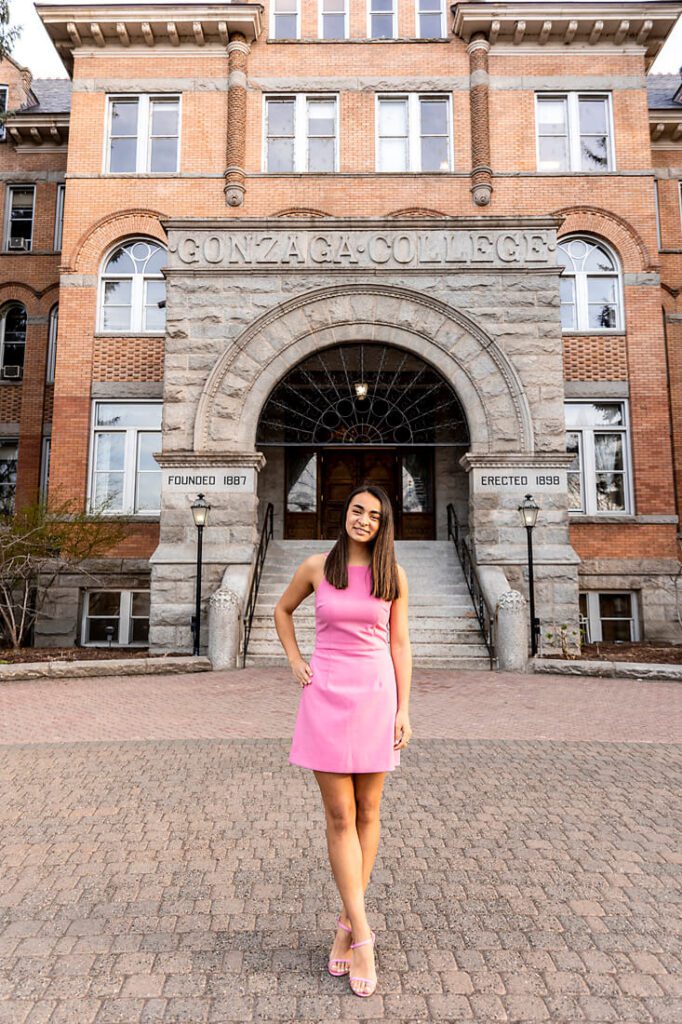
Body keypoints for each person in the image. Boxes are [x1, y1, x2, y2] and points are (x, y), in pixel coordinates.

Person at [273, 482, 412, 998]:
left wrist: (404, 708)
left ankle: (346, 928)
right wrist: (295, 660)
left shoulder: (392, 575)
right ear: (344, 513)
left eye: (374, 515)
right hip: (326, 695)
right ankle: (364, 937)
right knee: (339, 815)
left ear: (383, 524)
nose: (363, 520)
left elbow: (400, 643)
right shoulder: (316, 567)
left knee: (369, 811)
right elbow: (282, 611)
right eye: (357, 510)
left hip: (376, 697)